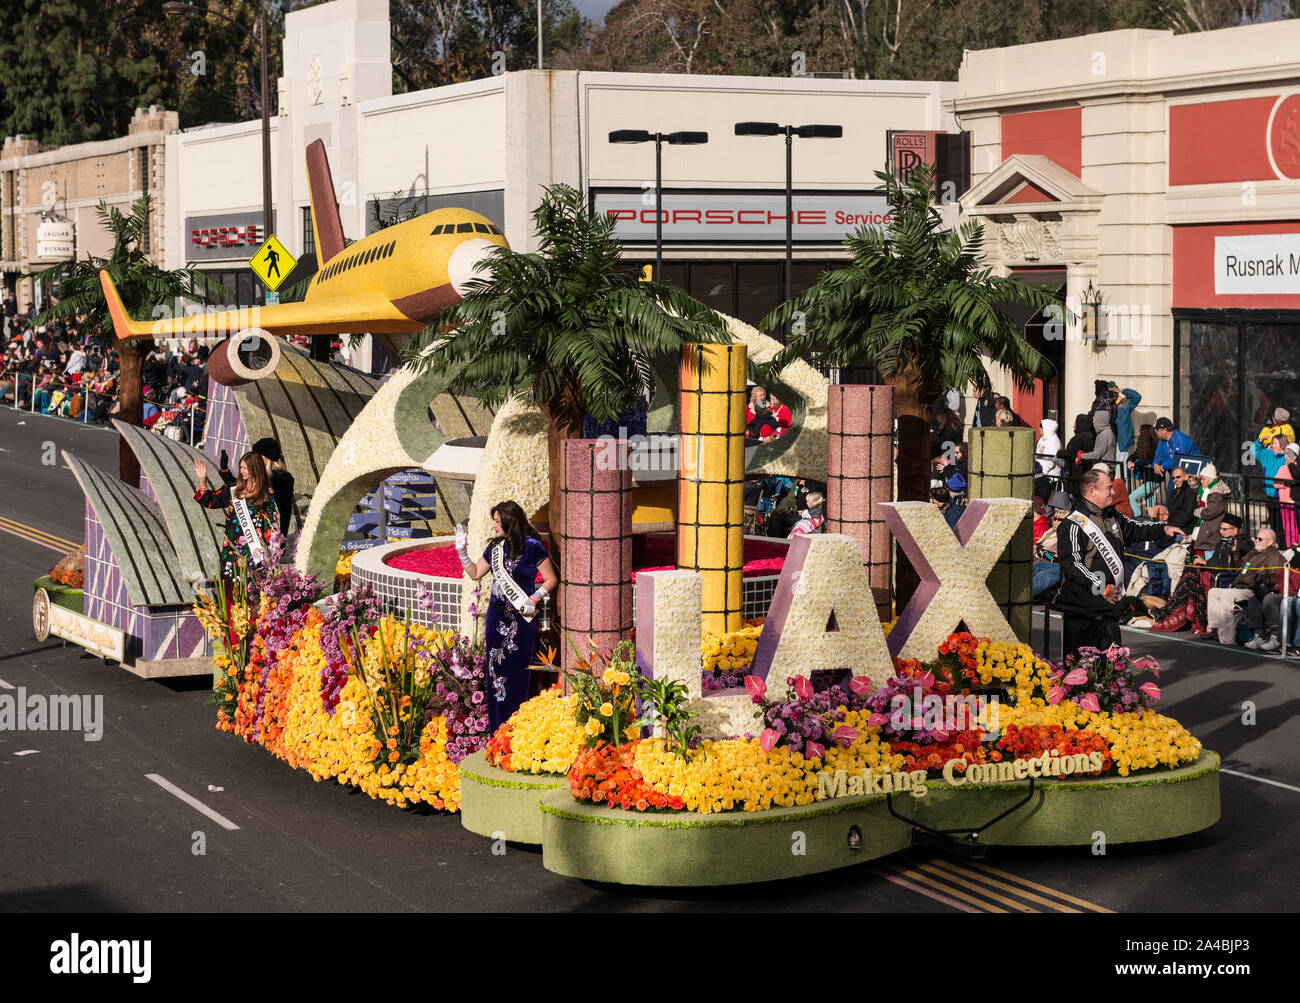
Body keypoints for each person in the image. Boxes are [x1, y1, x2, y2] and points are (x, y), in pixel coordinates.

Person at [1057, 468, 1185, 655]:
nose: (1113, 491)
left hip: (1110, 608)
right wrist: (1101, 587)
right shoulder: (1073, 524)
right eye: (1108, 488)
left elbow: (1135, 529)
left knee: (1112, 668)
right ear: (1092, 491)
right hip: (1082, 610)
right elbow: (1072, 565)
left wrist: (1163, 529)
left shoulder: (1112, 515)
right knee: (1079, 670)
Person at [457, 501, 558, 731]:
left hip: (522, 623)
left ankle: (517, 733)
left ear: (509, 522)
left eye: (496, 521)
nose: (493, 525)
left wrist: (534, 598)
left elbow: (551, 579)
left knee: (518, 677)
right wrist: (462, 552)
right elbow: (475, 573)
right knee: (496, 676)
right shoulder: (494, 549)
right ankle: (496, 732)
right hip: (497, 619)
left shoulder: (533, 546)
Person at [192, 451, 280, 586]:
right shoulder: (233, 489)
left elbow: (271, 524)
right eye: (241, 467)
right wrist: (202, 479)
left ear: (255, 468)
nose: (241, 471)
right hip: (232, 551)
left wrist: (271, 551)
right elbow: (209, 500)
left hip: (255, 552)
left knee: (253, 589)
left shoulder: (267, 492)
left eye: (245, 468)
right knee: (229, 588)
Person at [1205, 527, 1284, 645]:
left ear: (1270, 542)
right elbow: (1239, 567)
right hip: (1240, 586)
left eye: (1260, 539)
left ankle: (1227, 629)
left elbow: (1274, 577)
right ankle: (1215, 628)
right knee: (1213, 592)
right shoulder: (1255, 552)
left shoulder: (1273, 556)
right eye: (1256, 538)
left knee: (1227, 594)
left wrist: (1259, 578)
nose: (1257, 540)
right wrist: (1234, 551)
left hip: (1252, 588)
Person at [1190, 464, 1232, 557]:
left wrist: (1199, 512)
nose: (1201, 482)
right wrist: (1193, 481)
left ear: (1210, 479)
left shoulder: (1216, 493)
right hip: (1207, 529)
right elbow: (1200, 490)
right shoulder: (1209, 489)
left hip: (1211, 530)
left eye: (1203, 479)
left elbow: (1212, 511)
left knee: (1209, 557)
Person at [1151, 417, 1199, 484]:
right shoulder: (1162, 441)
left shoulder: (1180, 440)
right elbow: (1158, 456)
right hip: (1176, 476)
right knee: (1171, 494)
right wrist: (1155, 465)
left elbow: (1178, 460)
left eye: (1157, 429)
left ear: (1164, 430)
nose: (1156, 432)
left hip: (1191, 474)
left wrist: (1162, 466)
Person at [1060, 413, 1095, 485]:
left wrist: (1059, 453)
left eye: (1075, 422)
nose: (1074, 425)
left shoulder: (1079, 438)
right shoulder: (1091, 436)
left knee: (1077, 493)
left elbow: (1071, 452)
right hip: (1086, 469)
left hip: (1077, 471)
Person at [1114, 386, 1141, 465]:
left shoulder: (1125, 402)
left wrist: (1122, 390)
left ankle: (1122, 477)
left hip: (1122, 438)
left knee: (1121, 463)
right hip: (1110, 438)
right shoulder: (1105, 403)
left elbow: (1137, 397)